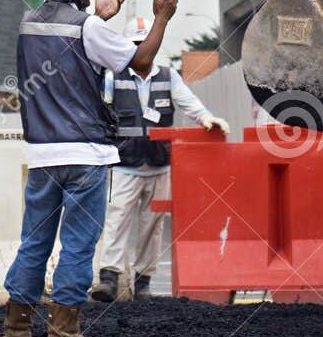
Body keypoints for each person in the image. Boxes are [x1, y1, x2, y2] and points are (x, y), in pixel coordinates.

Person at [0, 0, 179, 337]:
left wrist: (96, 17)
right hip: (85, 156)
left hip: (43, 155)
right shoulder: (88, 28)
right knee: (78, 245)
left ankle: (16, 333)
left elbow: (66, 53)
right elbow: (141, 62)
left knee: (33, 243)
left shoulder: (28, 23)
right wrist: (161, 19)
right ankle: (64, 336)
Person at [90, 15, 228, 303]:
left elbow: (189, 102)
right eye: (136, 44)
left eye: (145, 43)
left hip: (158, 164)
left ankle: (143, 281)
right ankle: (109, 278)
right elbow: (97, 108)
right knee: (117, 220)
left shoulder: (168, 76)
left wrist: (206, 118)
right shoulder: (114, 76)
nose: (142, 49)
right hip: (125, 164)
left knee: (152, 226)